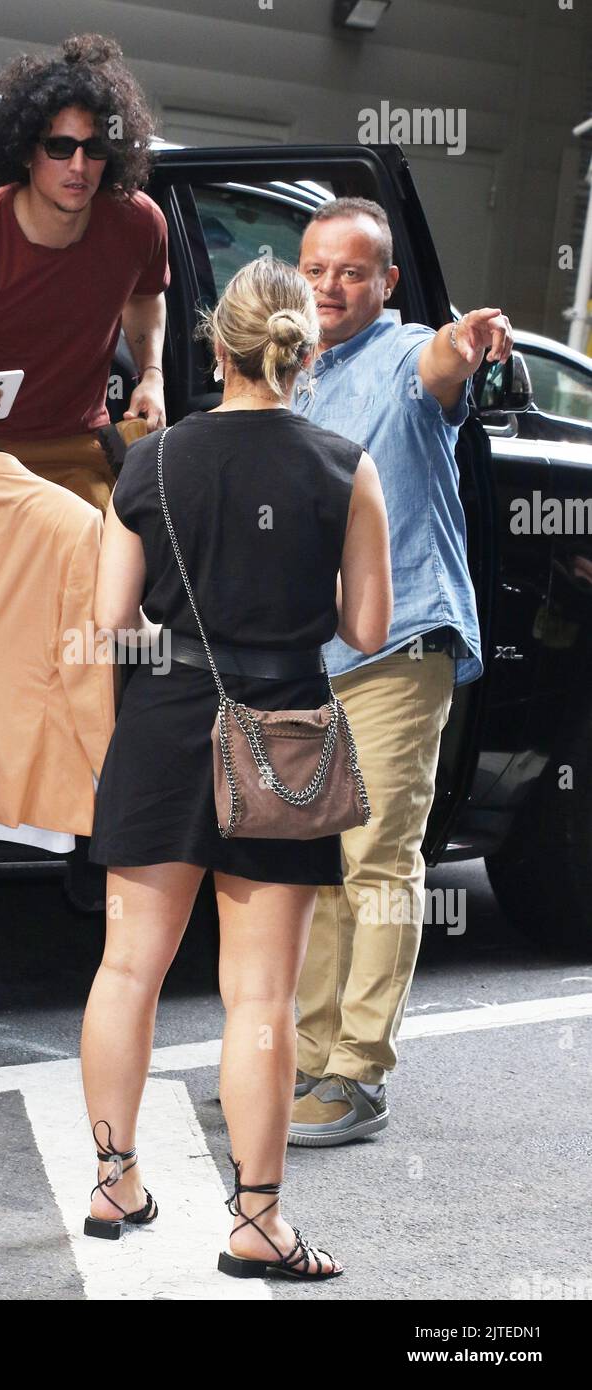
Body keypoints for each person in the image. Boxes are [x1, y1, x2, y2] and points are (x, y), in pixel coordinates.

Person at [80, 256, 392, 1278]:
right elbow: (367, 626)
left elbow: (106, 623)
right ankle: (257, 1223)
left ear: (215, 348)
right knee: (259, 997)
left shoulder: (150, 462)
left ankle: (112, 1180)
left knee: (129, 966)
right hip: (287, 731)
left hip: (168, 724)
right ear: (307, 353)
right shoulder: (345, 464)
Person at [288, 197, 513, 1145]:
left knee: (377, 860)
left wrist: (468, 342)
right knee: (318, 868)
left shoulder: (405, 352)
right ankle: (305, 1061)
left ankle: (359, 1074)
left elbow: (443, 365)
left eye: (352, 272)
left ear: (385, 282)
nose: (331, 287)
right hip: (308, 651)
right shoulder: (291, 373)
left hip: (394, 645)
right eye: (315, 269)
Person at [0, 32, 169, 513]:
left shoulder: (138, 223)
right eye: (60, 147)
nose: (79, 166)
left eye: (95, 148)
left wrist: (151, 375)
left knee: (104, 565)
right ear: (25, 150)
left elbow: (145, 295)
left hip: (75, 452)